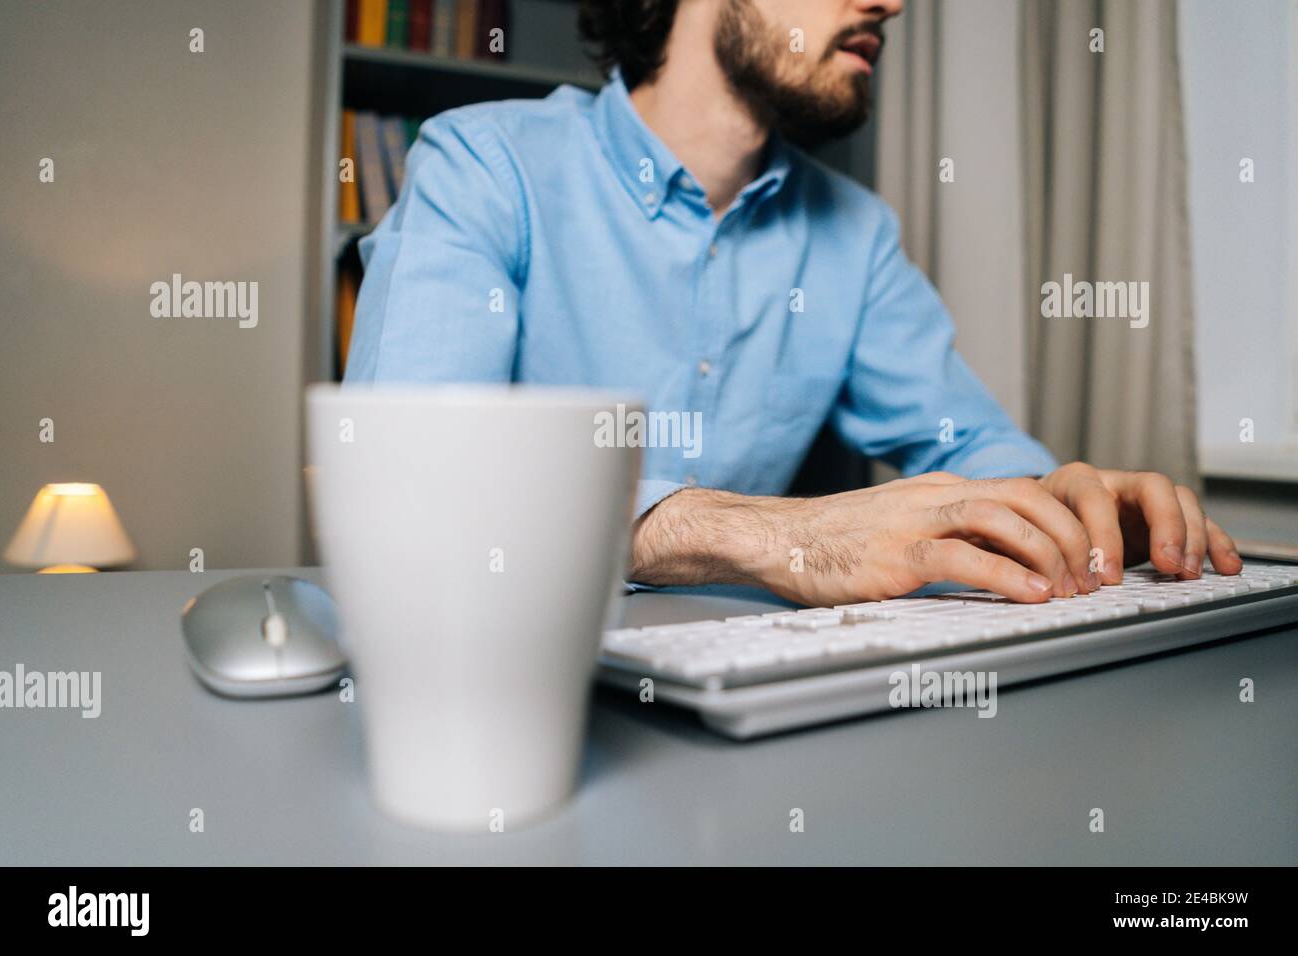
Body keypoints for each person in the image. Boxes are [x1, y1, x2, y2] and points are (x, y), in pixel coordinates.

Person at [345, 0, 1241, 604]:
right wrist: (776, 535)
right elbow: (406, 475)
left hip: (752, 706)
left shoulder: (853, 233)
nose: (890, 0)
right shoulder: (485, 165)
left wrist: (1063, 500)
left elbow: (965, 443)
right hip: (510, 676)